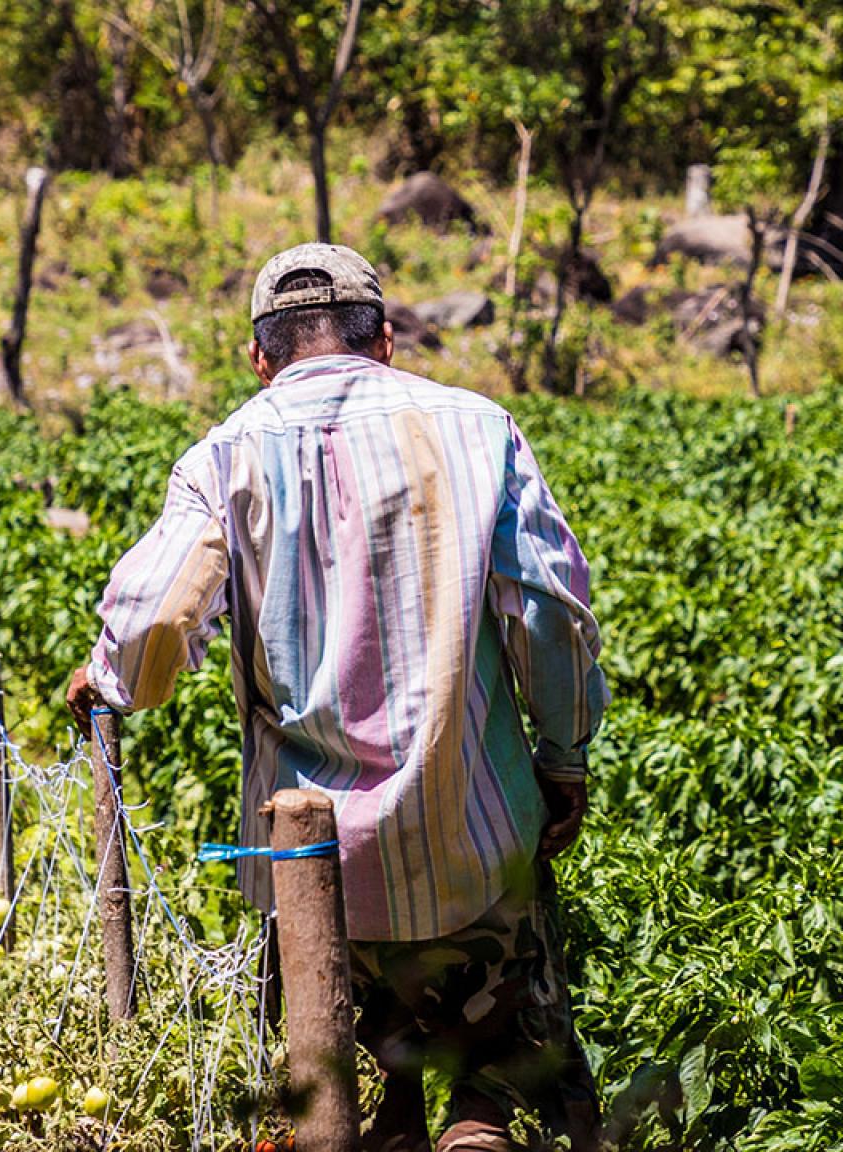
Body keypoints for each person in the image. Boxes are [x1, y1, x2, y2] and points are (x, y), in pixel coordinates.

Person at [66, 242, 609, 1152]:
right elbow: (549, 614)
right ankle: (477, 1127)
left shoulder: (223, 456)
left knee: (352, 1092)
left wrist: (111, 677)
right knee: (496, 1077)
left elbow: (158, 620)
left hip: (311, 866)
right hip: (472, 842)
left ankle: (398, 1121)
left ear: (260, 357)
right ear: (386, 339)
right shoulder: (479, 429)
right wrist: (562, 758)